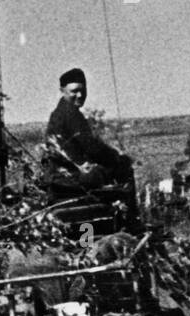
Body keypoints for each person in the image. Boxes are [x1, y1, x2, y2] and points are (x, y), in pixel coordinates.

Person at [45, 68, 138, 218]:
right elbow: (92, 147)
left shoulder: (59, 112)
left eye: (83, 90)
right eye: (74, 91)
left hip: (61, 175)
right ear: (62, 91)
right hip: (71, 176)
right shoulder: (70, 114)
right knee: (125, 167)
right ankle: (131, 220)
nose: (80, 95)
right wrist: (117, 157)